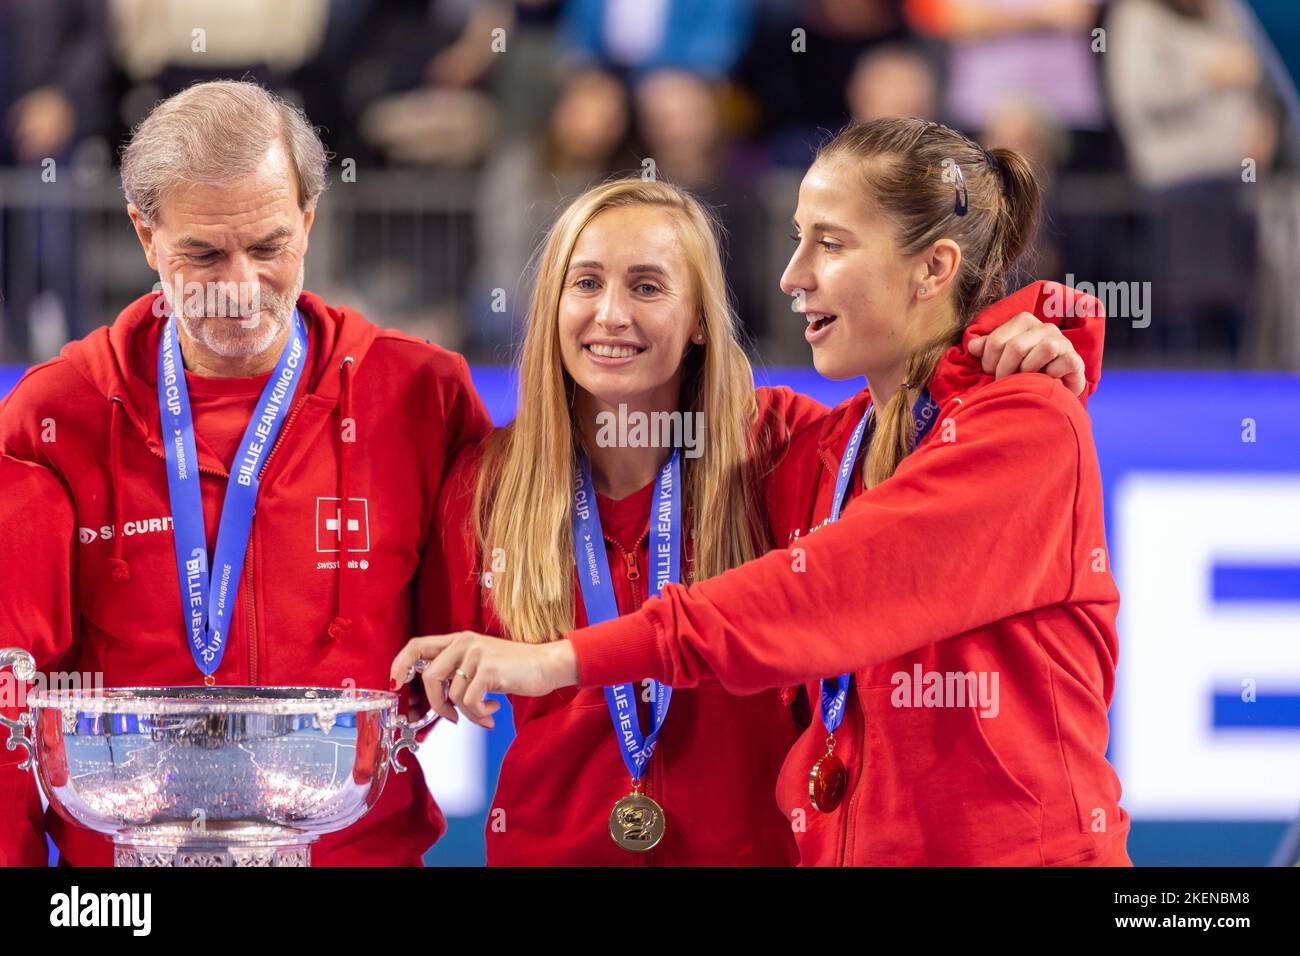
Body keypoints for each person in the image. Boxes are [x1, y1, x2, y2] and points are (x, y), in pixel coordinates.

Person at [393, 118, 1129, 866]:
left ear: (933, 268)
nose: (793, 274)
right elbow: (402, 675)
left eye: (831, 244)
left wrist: (556, 660)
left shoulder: (804, 449)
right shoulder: (850, 446)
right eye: (585, 283)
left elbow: (823, 592)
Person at [0, 80, 491, 866]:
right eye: (201, 253)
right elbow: (7, 703)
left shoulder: (421, 399)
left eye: (268, 246)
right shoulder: (56, 417)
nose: (238, 282)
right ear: (144, 236)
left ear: (308, 221)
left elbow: (496, 637)